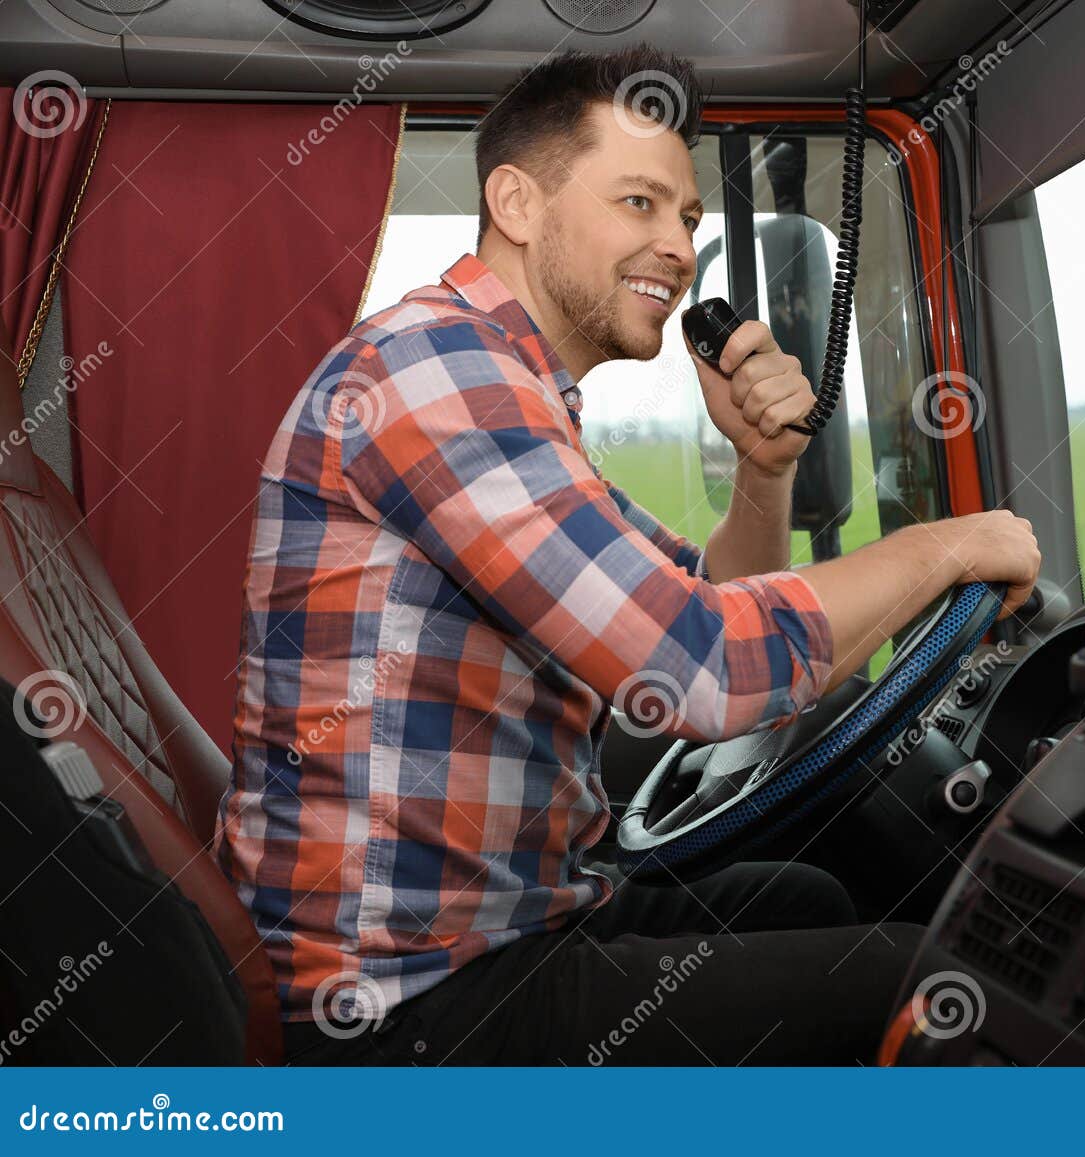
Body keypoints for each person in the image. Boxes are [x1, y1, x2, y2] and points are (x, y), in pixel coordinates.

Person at [214, 44, 1040, 1066]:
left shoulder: (512, 394)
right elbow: (697, 668)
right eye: (639, 203)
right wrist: (951, 543)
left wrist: (764, 469)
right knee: (935, 990)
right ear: (516, 203)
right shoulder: (435, 371)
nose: (679, 246)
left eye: (687, 217)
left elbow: (707, 606)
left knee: (808, 896)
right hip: (407, 1003)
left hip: (514, 922)